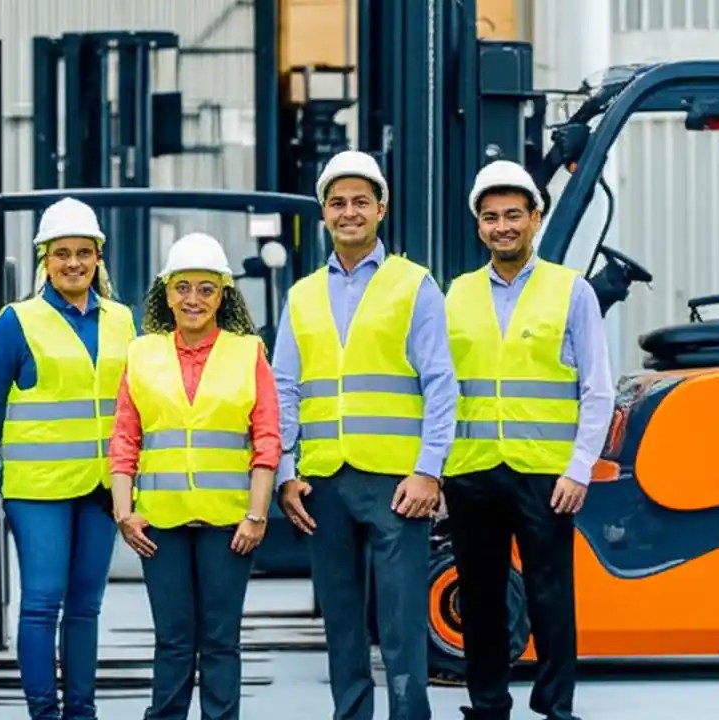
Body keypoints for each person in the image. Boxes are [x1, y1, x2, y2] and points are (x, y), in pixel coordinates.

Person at [272, 150, 457, 720]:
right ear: (324, 214)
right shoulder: (302, 294)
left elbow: (441, 383)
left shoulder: (413, 285)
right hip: (324, 481)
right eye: (337, 203)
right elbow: (284, 389)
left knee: (402, 621)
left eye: (359, 202)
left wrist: (429, 469)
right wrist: (284, 474)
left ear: (381, 208)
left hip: (396, 484)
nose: (349, 212)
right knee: (342, 622)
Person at [442, 160, 613, 720]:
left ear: (536, 217)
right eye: (490, 217)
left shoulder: (572, 291)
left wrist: (580, 466)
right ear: (478, 226)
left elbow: (598, 388)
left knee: (549, 595)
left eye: (513, 214)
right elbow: (440, 389)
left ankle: (555, 705)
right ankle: (488, 704)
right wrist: (437, 467)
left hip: (545, 471)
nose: (502, 226)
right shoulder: (456, 295)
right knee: (482, 596)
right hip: (472, 470)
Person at [0, 197, 136, 720]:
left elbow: (134, 404)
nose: (73, 263)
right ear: (45, 258)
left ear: (98, 256)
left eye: (83, 253)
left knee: (86, 607)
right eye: (62, 253)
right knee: (43, 602)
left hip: (101, 488)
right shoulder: (16, 321)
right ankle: (44, 712)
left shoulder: (122, 320)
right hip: (39, 487)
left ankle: (81, 712)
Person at [110, 232, 281, 720]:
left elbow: (267, 439)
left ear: (223, 294)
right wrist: (125, 513)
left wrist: (257, 515)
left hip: (230, 525)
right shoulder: (142, 353)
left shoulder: (249, 352)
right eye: (183, 287)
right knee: (173, 640)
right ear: (165, 293)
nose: (193, 299)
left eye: (206, 289)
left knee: (221, 640)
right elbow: (125, 439)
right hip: (159, 524)